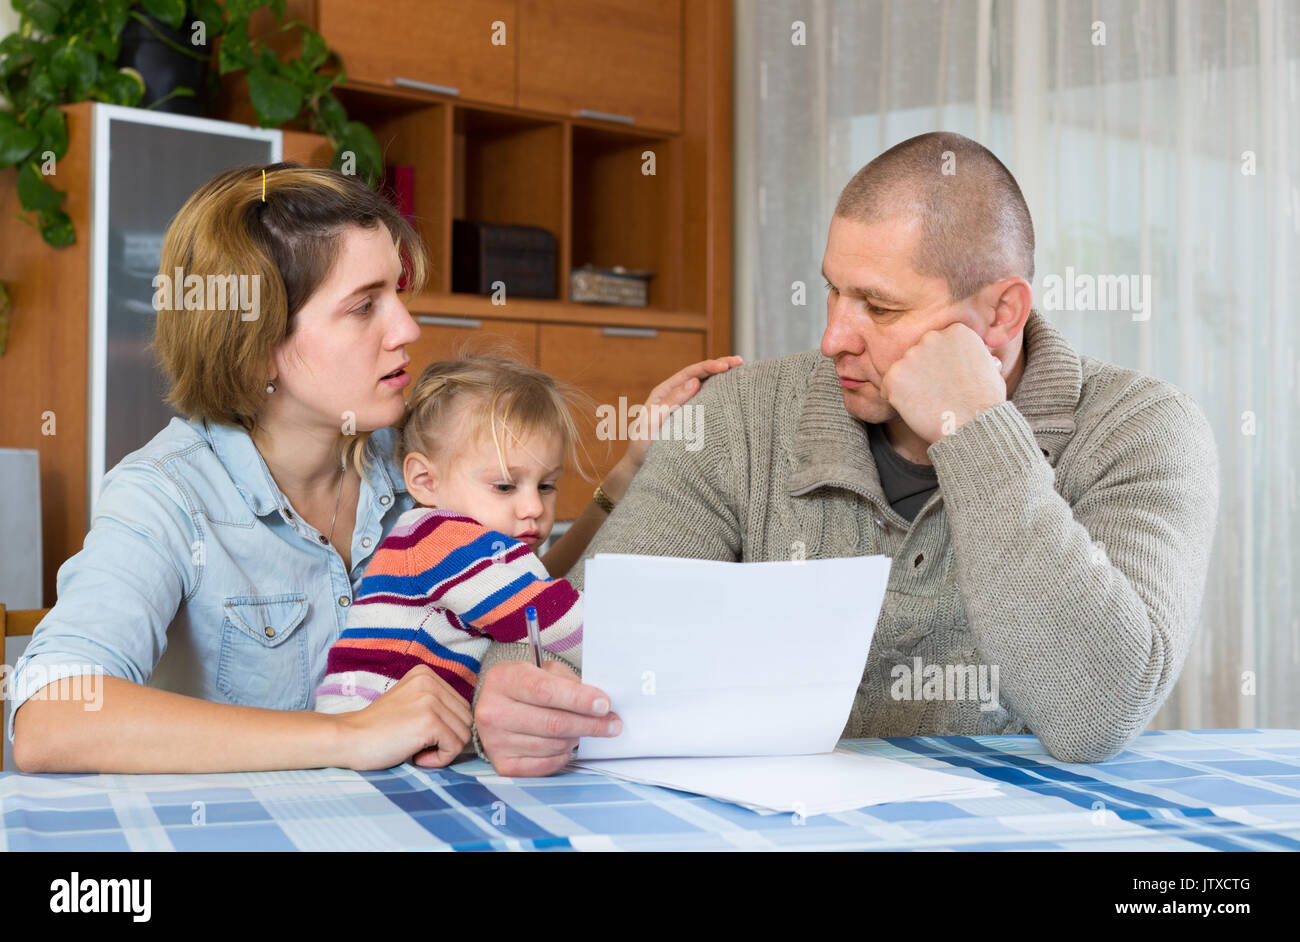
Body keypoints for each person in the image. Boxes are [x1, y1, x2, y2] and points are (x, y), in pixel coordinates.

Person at [470, 131, 1220, 774]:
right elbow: (577, 640)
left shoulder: (1141, 430)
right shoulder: (741, 415)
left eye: (880, 307)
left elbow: (1097, 711)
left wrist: (975, 429)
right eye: (832, 292)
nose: (833, 337)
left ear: (1002, 314)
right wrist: (511, 688)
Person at [9, 163, 739, 773]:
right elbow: (50, 717)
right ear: (259, 343)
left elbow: (513, 579)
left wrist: (620, 484)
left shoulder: (410, 456)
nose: (408, 330)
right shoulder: (165, 495)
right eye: (365, 307)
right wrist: (349, 736)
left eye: (399, 293)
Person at [313, 356, 591, 716]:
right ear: (426, 482)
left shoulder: (463, 542)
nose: (533, 507)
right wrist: (648, 641)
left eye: (546, 485)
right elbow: (551, 617)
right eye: (505, 486)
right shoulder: (442, 539)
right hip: (363, 722)